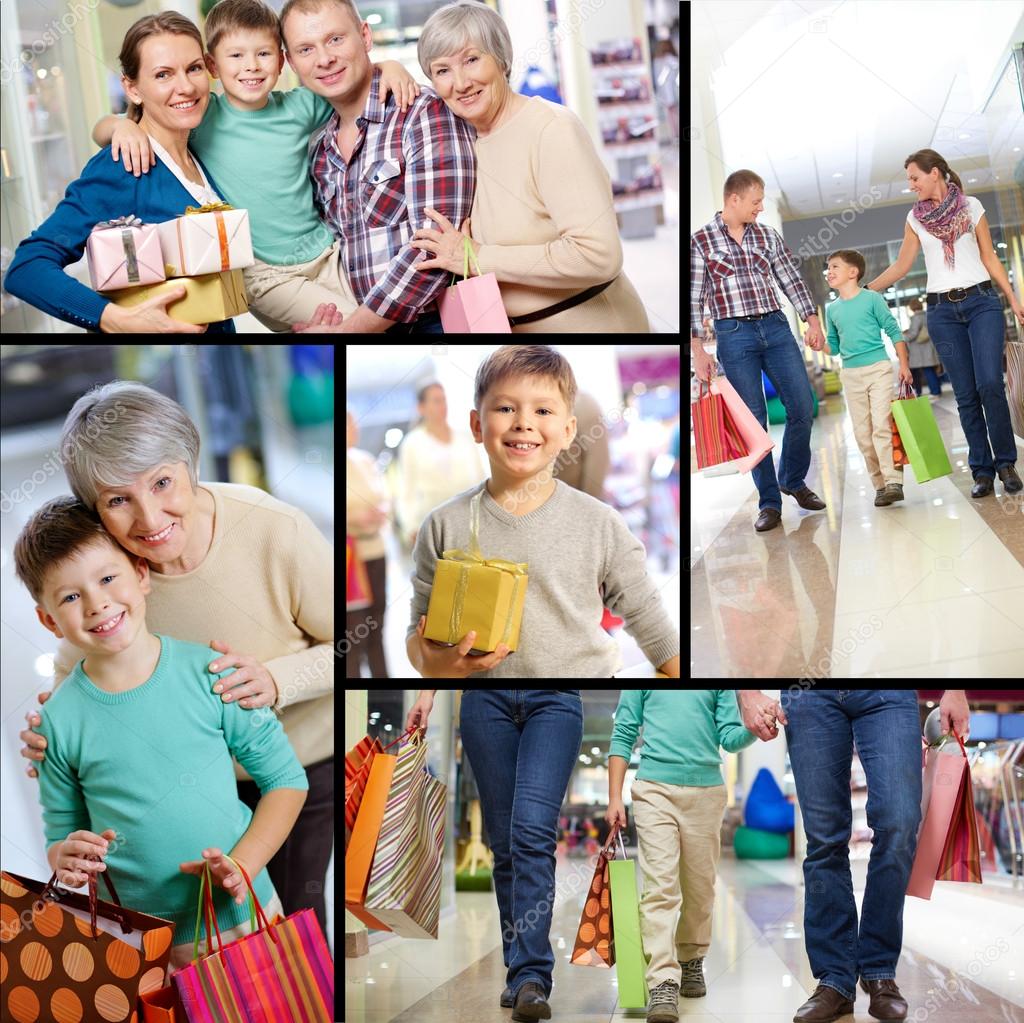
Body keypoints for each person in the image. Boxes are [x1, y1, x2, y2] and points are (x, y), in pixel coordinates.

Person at [19, 380, 335, 934]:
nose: (148, 518)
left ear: (190, 466)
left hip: (298, 762)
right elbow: (79, 671)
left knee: (290, 926)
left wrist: (275, 681)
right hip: (189, 786)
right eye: (118, 499)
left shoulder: (271, 529)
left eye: (162, 482)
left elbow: (358, 648)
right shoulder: (112, 567)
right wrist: (52, 732)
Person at [13, 496, 308, 970]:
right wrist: (64, 855)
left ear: (141, 574)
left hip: (242, 916)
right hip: (135, 943)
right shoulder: (56, 723)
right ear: (49, 620)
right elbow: (60, 833)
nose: (97, 603)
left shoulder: (211, 674)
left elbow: (287, 781)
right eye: (70, 597)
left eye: (108, 578)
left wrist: (244, 865)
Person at [90, 0, 420, 332]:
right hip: (266, 275)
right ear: (212, 66)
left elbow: (350, 83)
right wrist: (122, 127)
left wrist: (387, 66)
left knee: (383, 319)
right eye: (236, 56)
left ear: (281, 62)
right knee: (359, 327)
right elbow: (103, 126)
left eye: (263, 54)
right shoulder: (202, 118)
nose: (252, 66)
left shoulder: (301, 107)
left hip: (327, 254)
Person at [405, 344, 680, 679]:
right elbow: (418, 633)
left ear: (568, 431)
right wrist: (435, 665)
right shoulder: (443, 525)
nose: (523, 423)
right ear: (477, 425)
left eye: (543, 412)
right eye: (505, 408)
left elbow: (649, 620)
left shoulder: (600, 524)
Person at [407, 0, 650, 333]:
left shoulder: (551, 129)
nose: (460, 82)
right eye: (442, 70)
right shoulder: (460, 138)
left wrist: (477, 255)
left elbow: (598, 255)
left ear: (502, 59)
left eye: (472, 60)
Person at [737, 688, 971, 1023]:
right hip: (809, 689)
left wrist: (956, 687)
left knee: (899, 823)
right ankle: (835, 979)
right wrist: (746, 691)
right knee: (822, 838)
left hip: (888, 680)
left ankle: (878, 968)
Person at [3, 13, 237, 333]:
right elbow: (27, 268)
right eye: (163, 74)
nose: (185, 86)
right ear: (133, 88)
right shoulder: (121, 167)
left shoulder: (201, 145)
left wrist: (115, 123)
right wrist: (114, 319)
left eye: (193, 68)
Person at [285, 0, 476, 333]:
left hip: (439, 322)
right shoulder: (318, 149)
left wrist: (348, 331)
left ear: (365, 36)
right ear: (290, 61)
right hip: (366, 325)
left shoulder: (421, 114)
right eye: (305, 49)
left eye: (335, 39)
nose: (324, 59)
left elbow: (435, 251)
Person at [406, 689, 584, 1022]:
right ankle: (518, 967)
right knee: (504, 846)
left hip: (555, 696)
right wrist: (426, 692)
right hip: (484, 697)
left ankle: (532, 975)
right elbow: (439, 637)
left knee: (532, 834)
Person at [865, 148, 1022, 497]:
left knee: (990, 386)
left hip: (982, 303)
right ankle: (981, 470)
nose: (911, 185)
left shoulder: (971, 206)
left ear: (934, 173)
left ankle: (1006, 463)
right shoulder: (915, 218)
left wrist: (1012, 297)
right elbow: (902, 266)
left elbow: (988, 256)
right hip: (941, 313)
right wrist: (867, 289)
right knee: (965, 393)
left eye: (914, 177)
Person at [605, 691, 759, 1023]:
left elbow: (730, 738)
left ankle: (690, 957)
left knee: (700, 889)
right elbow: (623, 733)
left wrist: (754, 728)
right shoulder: (643, 677)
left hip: (706, 794)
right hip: (653, 790)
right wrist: (614, 796)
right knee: (661, 887)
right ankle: (662, 980)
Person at [690, 169, 828, 533]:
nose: (761, 208)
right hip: (734, 335)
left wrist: (811, 319)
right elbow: (693, 298)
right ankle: (769, 502)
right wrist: (698, 351)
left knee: (801, 407)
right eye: (755, 201)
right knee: (753, 423)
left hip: (776, 327)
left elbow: (790, 279)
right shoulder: (701, 240)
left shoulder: (767, 235)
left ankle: (793, 479)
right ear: (733, 199)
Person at [824, 249, 912, 507]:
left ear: (853, 272)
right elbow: (834, 347)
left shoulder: (872, 299)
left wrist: (904, 365)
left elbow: (893, 330)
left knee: (882, 426)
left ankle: (894, 480)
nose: (829, 272)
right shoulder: (832, 309)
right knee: (863, 435)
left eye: (835, 267)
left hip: (878, 369)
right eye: (828, 268)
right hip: (850, 374)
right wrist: (819, 344)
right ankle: (880, 485)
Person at [903, 297, 943, 397]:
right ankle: (937, 390)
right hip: (929, 347)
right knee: (931, 370)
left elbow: (913, 334)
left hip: (921, 350)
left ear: (912, 307)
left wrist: (902, 337)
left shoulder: (916, 318)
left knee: (928, 371)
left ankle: (935, 392)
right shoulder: (927, 315)